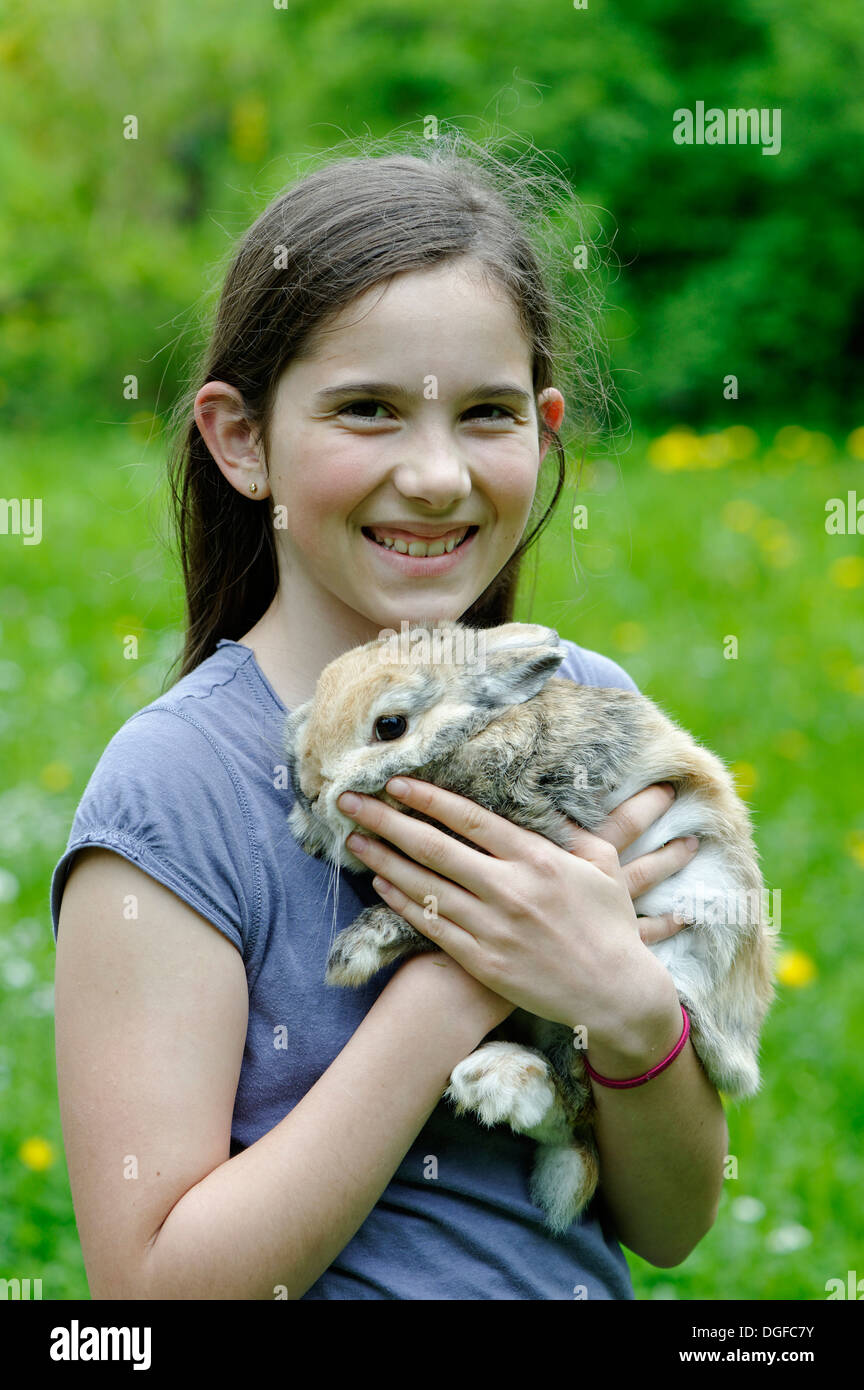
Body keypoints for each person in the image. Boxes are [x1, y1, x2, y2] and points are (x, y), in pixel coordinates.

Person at [51, 130, 727, 1301]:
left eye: (485, 414)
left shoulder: (590, 714)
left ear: (545, 425)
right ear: (242, 439)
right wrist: (464, 974)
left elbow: (671, 1222)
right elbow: (153, 1295)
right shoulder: (178, 787)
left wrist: (623, 1007)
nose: (435, 473)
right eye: (368, 409)